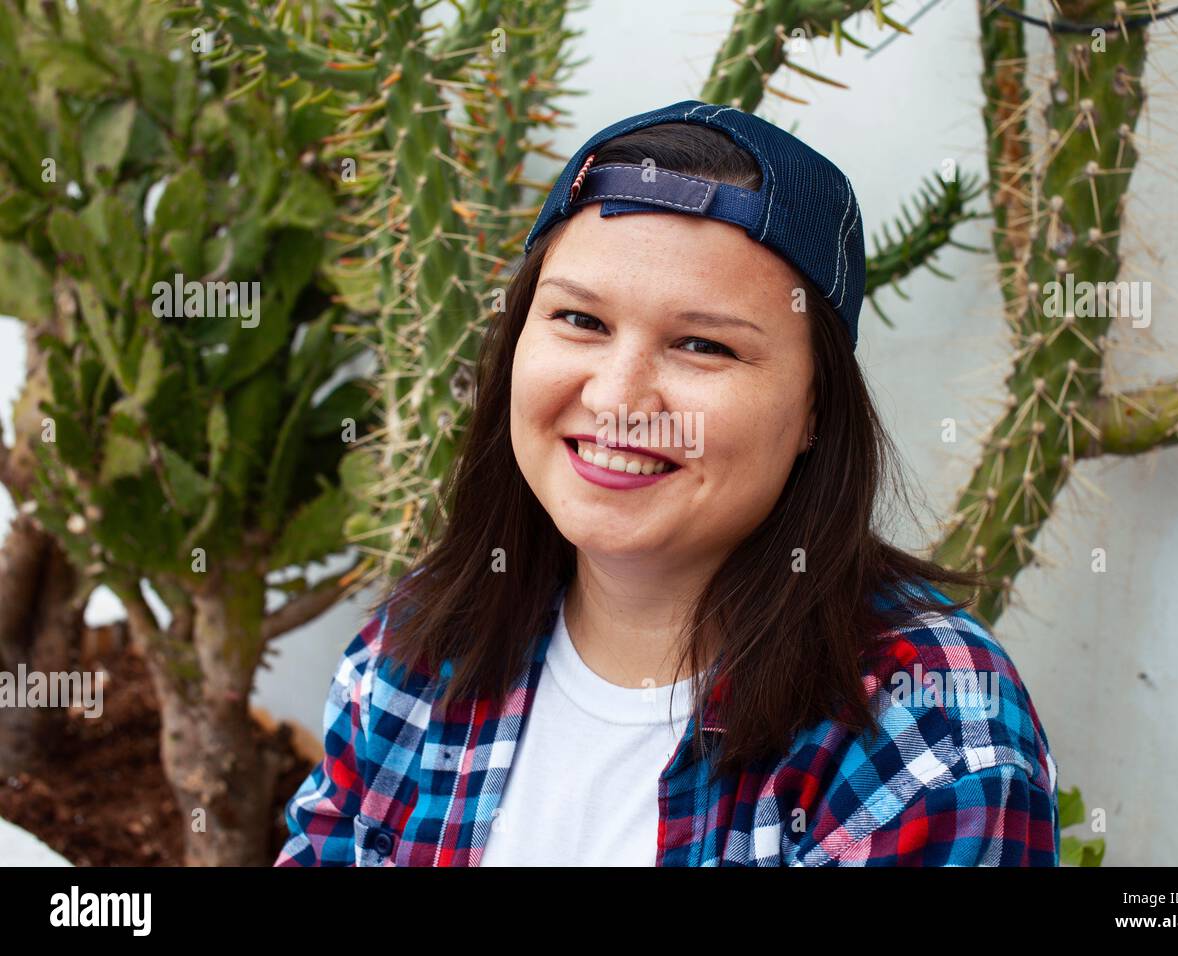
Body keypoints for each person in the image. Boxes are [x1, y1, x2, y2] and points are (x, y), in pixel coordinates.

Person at [275, 100, 1060, 867]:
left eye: (701, 345)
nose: (617, 399)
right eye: (580, 321)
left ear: (815, 407)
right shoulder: (414, 645)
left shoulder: (930, 728)